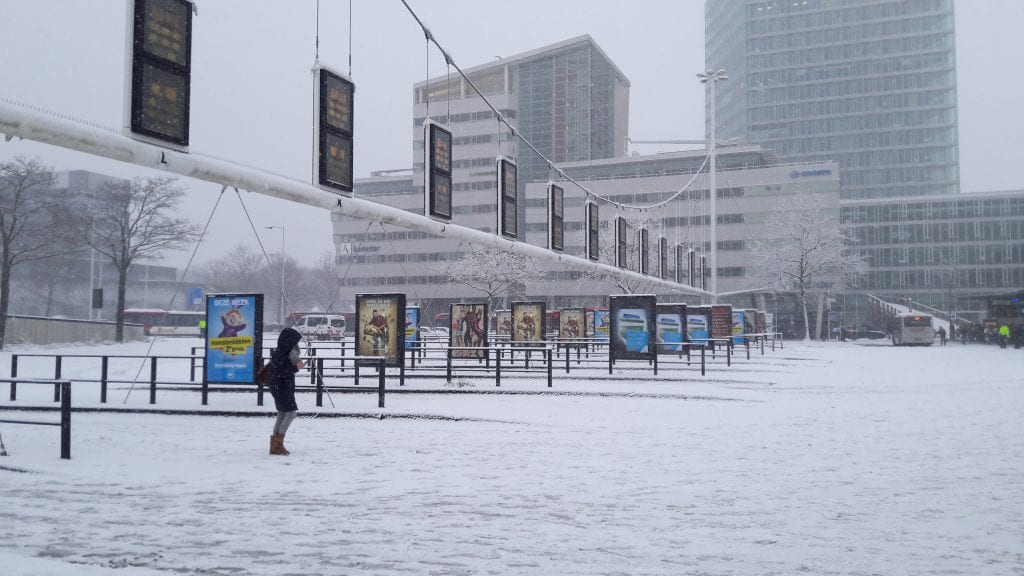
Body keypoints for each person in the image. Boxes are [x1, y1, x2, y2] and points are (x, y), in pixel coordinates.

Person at [268, 327, 305, 456]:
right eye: (294, 342)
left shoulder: (284, 352)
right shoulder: (280, 354)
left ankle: (275, 445)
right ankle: (277, 443)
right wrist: (296, 368)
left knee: (282, 413)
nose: (296, 345)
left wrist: (295, 366)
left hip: (282, 387)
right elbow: (280, 372)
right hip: (281, 387)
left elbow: (283, 369)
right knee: (291, 413)